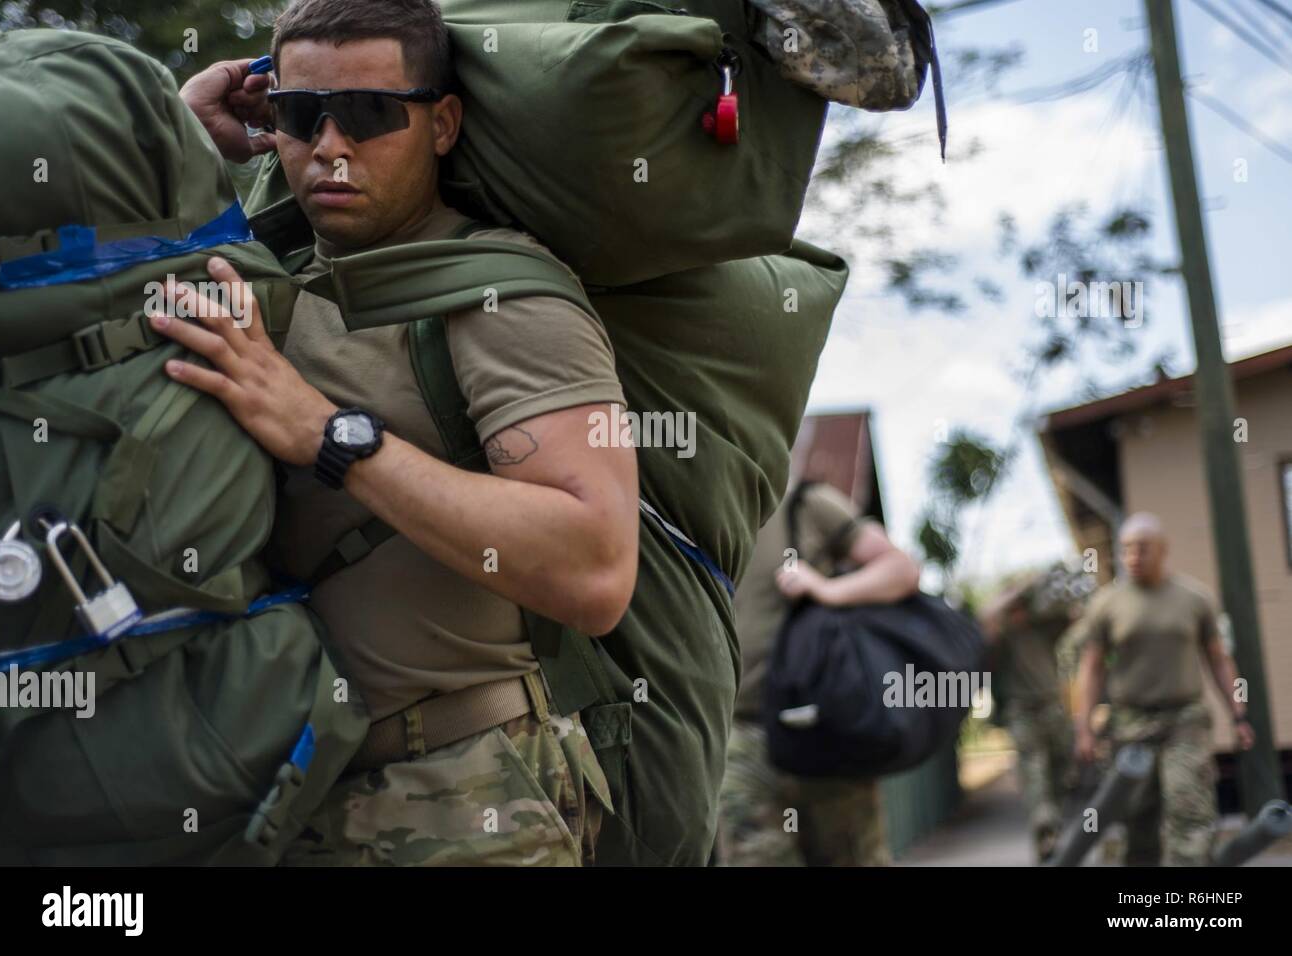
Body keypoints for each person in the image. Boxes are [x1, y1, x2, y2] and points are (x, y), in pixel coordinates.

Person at [168, 0, 636, 865]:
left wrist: (328, 435)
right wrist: (178, 140)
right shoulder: (269, 274)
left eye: (375, 114)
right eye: (303, 116)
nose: (333, 146)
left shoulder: (501, 294)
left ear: (443, 123)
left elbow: (596, 563)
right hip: (278, 803)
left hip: (467, 798)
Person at [718, 479, 921, 866]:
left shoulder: (804, 502)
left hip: (820, 726)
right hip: (741, 732)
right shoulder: (687, 511)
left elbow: (901, 569)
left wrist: (827, 590)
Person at [1073, 512, 1255, 866]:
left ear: (1163, 550)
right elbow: (1091, 668)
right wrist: (1084, 728)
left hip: (1184, 720)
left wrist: (1239, 712)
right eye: (1125, 550)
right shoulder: (1106, 604)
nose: (1132, 558)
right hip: (1129, 723)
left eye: (1141, 549)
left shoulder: (1195, 598)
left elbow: (1220, 660)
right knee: (1136, 820)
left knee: (1189, 810)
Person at [981, 570, 1078, 862]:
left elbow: (1074, 611)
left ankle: (1053, 824)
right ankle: (1043, 825)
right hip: (1020, 710)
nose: (1019, 611)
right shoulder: (1000, 637)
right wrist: (1011, 592)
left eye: (1022, 605)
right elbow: (985, 617)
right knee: (1033, 768)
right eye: (1014, 607)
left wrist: (1035, 588)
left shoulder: (1044, 628)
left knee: (1064, 767)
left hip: (1053, 707)